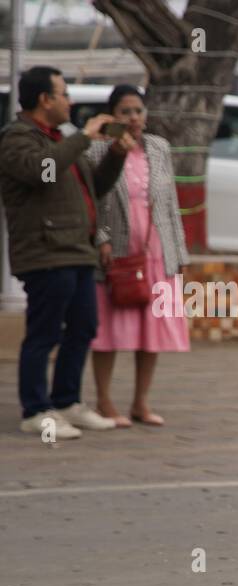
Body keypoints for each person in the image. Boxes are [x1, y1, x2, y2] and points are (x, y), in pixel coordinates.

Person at [0, 65, 130, 438]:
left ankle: (68, 402)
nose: (69, 101)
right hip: (45, 252)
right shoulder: (17, 139)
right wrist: (84, 139)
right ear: (45, 99)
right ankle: (36, 410)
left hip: (77, 250)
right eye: (64, 94)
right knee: (44, 333)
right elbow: (43, 172)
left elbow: (97, 187)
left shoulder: (61, 138)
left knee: (83, 327)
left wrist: (116, 155)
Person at [88, 84, 190, 428]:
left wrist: (180, 253)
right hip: (115, 251)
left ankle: (140, 403)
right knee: (109, 329)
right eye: (125, 112)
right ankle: (103, 401)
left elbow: (171, 203)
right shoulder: (97, 150)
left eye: (138, 111)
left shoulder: (158, 148)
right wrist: (100, 237)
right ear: (111, 117)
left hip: (155, 251)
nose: (134, 118)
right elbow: (93, 200)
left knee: (152, 329)